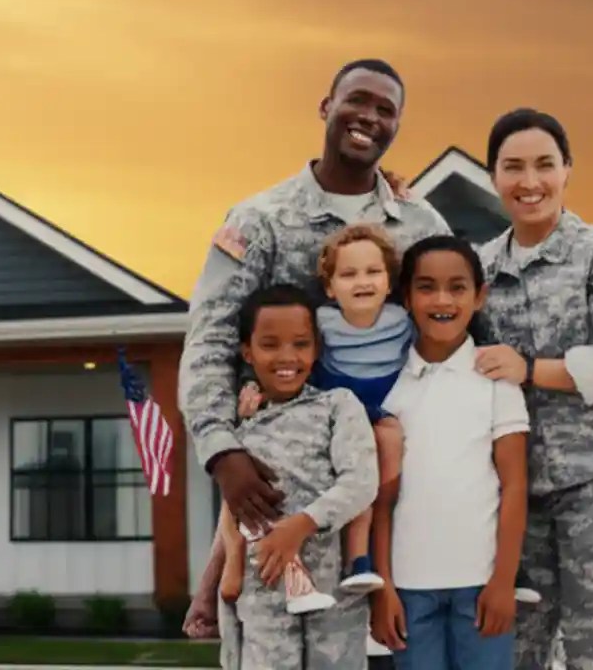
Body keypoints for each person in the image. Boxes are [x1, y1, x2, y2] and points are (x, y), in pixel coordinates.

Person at [178, 58, 450, 666]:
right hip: (276, 485)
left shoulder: (418, 222)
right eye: (358, 101)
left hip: (391, 477)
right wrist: (223, 453)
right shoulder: (259, 219)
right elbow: (210, 340)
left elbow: (453, 319)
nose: (370, 118)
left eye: (387, 110)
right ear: (326, 107)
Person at [471, 108, 593, 668]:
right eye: (513, 167)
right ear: (493, 177)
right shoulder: (479, 269)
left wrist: (531, 369)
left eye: (544, 165)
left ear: (567, 171)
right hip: (516, 504)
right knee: (510, 656)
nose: (529, 182)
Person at [367, 235, 531, 669]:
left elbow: (514, 486)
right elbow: (381, 500)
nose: (442, 300)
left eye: (457, 287)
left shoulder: (496, 379)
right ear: (405, 297)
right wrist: (384, 586)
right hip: (409, 590)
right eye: (426, 287)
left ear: (479, 297)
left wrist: (503, 581)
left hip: (481, 587)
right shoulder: (389, 387)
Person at [228, 223, 409, 602]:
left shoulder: (403, 321)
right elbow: (283, 347)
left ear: (390, 281)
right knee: (242, 470)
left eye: (373, 272)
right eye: (348, 274)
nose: (362, 281)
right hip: (334, 412)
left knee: (383, 445)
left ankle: (364, 558)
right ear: (329, 288)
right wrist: (252, 383)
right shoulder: (321, 322)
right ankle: (226, 566)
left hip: (378, 411)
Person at [225, 283, 379, 669]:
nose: (287, 357)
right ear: (248, 351)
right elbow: (232, 509)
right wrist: (223, 574)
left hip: (334, 591)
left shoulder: (336, 406)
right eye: (270, 344)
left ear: (316, 348)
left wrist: (302, 524)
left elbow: (361, 482)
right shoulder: (237, 427)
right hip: (264, 589)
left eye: (300, 343)